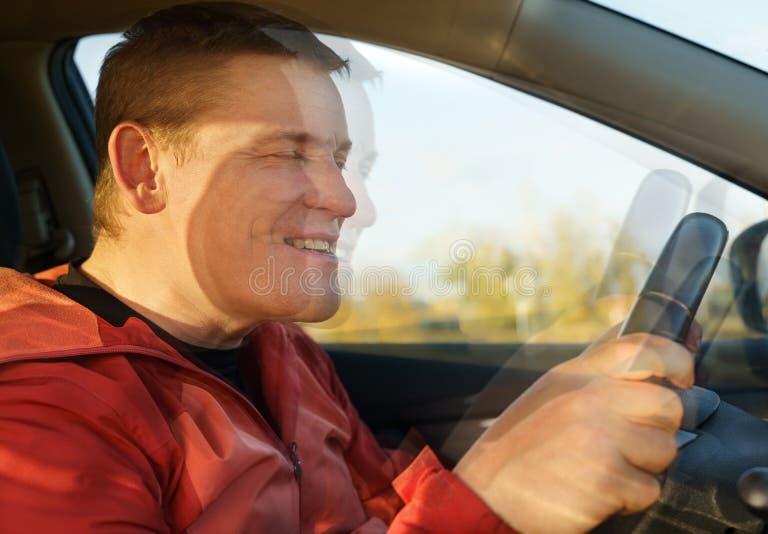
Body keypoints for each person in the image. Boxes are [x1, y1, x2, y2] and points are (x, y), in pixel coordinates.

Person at [0, 2, 696, 532]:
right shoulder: (39, 412)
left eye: (338, 159)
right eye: (285, 153)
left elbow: (385, 511)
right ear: (144, 170)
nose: (345, 201)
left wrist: (541, 417)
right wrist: (486, 500)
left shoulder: (283, 352)